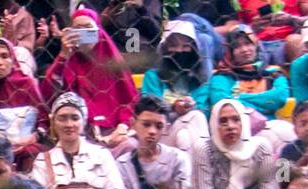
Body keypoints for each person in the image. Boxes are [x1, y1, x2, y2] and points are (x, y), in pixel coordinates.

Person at [41, 7, 136, 151]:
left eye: (88, 29)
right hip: (78, 133)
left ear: (98, 32)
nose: (83, 34)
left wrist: (122, 127)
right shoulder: (68, 62)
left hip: (115, 133)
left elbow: (129, 100)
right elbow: (48, 92)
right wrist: (63, 55)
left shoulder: (113, 62)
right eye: (78, 29)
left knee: (130, 146)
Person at [190, 99, 278, 189]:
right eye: (223, 121)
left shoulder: (260, 148)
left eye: (236, 119)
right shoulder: (204, 149)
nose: (230, 126)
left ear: (244, 121)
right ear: (214, 125)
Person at [0, 36, 47, 173]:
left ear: (12, 59)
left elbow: (43, 121)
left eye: (4, 56)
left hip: (27, 145)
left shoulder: (27, 84)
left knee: (37, 155)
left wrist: (31, 138)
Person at [138, 19, 213, 153]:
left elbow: (203, 109)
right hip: (161, 133)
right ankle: (205, 170)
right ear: (165, 49)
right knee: (194, 119)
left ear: (194, 49)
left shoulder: (201, 79)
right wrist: (173, 107)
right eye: (174, 45)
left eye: (185, 46)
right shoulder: (153, 76)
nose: (180, 51)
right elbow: (149, 108)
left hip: (191, 131)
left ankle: (195, 172)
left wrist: (189, 107)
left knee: (186, 133)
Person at [209, 22, 290, 124]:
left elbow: (279, 98)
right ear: (230, 52)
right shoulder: (222, 76)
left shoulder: (274, 73)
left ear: (256, 45)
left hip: (269, 126)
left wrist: (237, 98)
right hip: (236, 128)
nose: (244, 50)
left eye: (248, 43)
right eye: (237, 46)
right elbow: (222, 103)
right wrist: (265, 103)